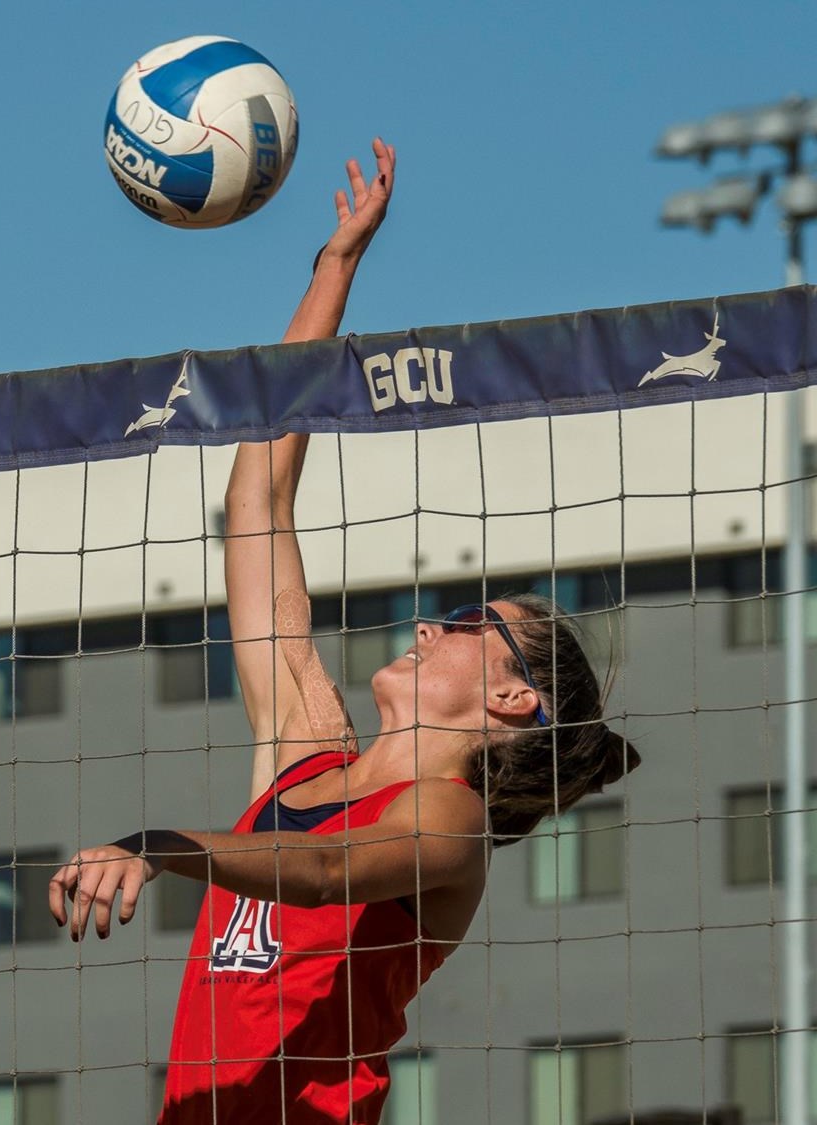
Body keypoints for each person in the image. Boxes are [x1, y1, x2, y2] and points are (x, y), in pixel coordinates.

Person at [46, 140, 639, 1125]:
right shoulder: (304, 752)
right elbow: (257, 501)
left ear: (510, 696)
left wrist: (155, 846)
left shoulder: (450, 822)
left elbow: (321, 873)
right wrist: (333, 269)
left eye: (466, 623)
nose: (428, 624)